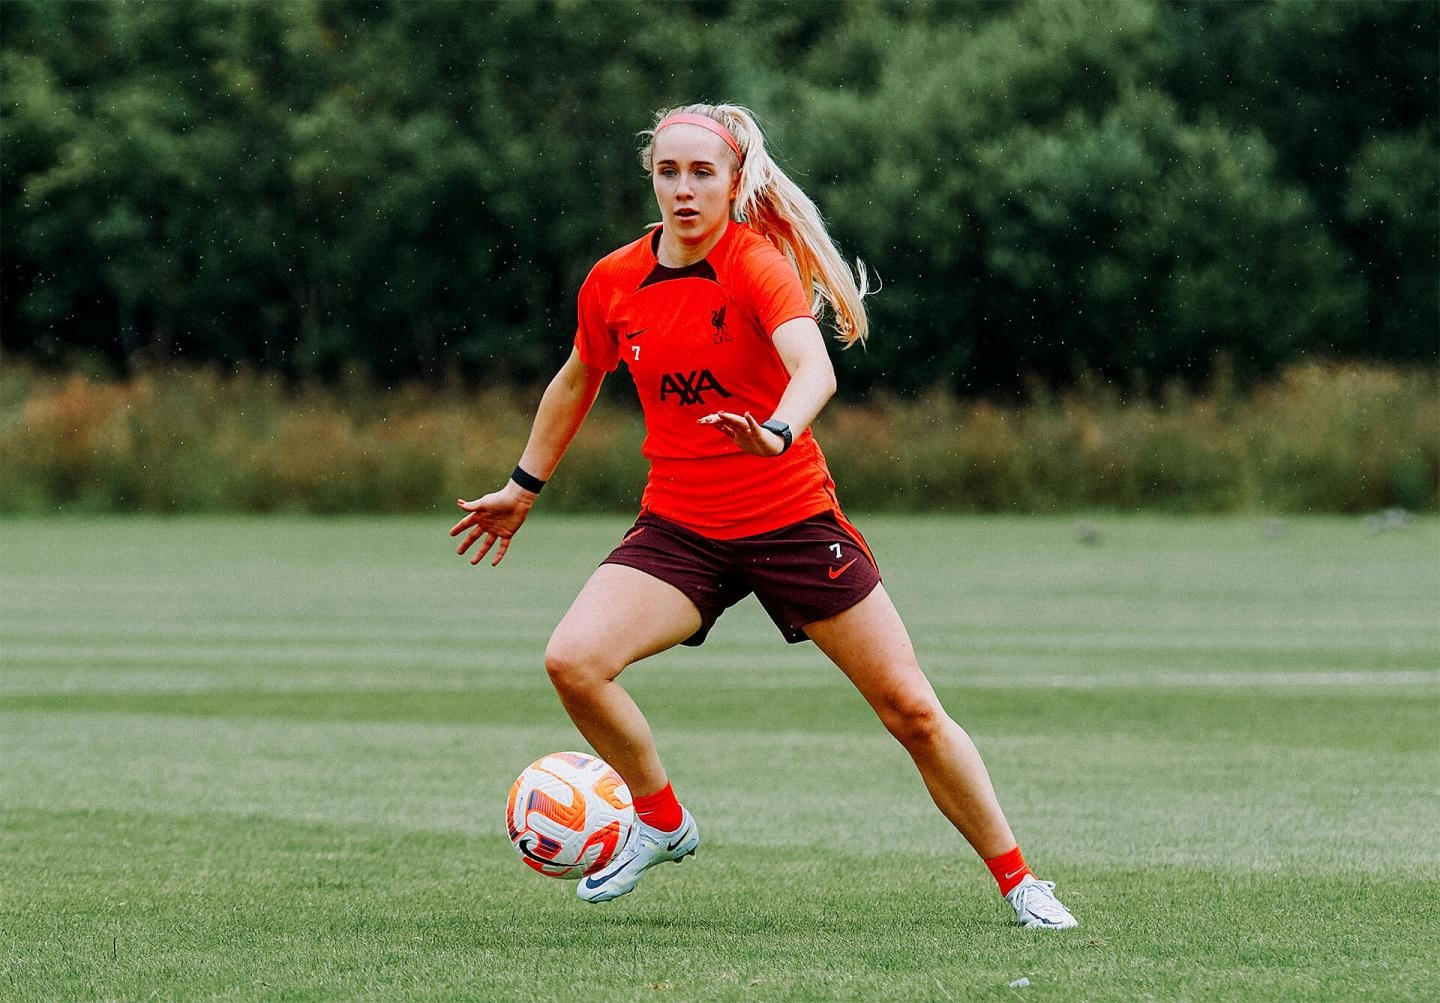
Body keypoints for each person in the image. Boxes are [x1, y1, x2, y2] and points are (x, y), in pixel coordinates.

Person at [451, 103, 1077, 930]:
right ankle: (661, 821)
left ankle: (1021, 882)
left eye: (701, 172)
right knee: (573, 660)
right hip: (680, 527)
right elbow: (576, 378)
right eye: (668, 172)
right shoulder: (613, 280)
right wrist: (523, 486)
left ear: (734, 181)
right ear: (651, 179)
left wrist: (776, 429)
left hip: (791, 520)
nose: (684, 188)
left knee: (913, 712)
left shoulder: (755, 264)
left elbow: (814, 367)